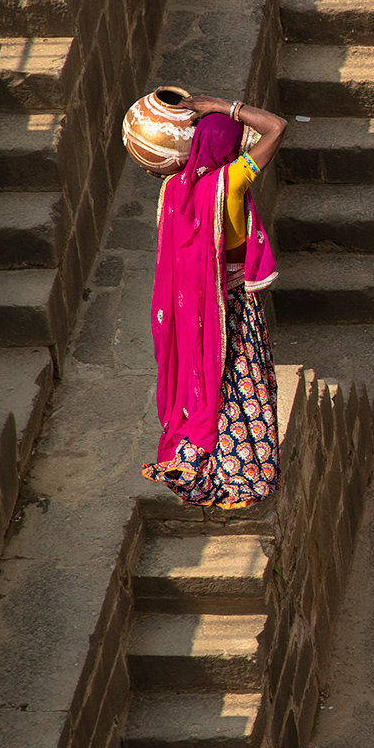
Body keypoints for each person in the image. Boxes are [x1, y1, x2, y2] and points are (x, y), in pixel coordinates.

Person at [142, 94, 288, 508]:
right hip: (234, 305)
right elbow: (276, 126)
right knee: (242, 382)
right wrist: (228, 107)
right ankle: (243, 474)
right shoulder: (233, 182)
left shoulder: (175, 188)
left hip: (195, 308)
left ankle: (195, 458)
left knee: (202, 381)